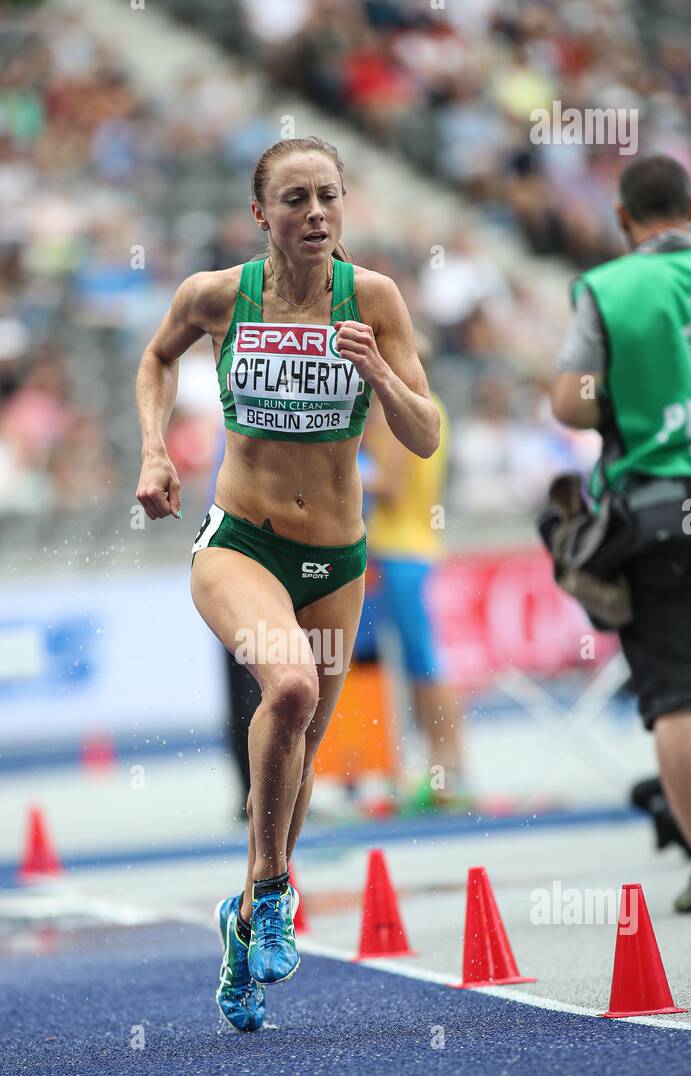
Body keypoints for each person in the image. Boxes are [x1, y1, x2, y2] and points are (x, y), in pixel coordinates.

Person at [135, 136, 439, 1028]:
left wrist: (377, 370)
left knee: (297, 752)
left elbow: (423, 435)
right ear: (260, 213)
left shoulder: (373, 299)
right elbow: (157, 359)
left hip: (338, 561)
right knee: (293, 684)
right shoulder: (218, 296)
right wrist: (155, 451)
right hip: (242, 544)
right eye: (296, 198)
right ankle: (273, 892)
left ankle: (243, 918)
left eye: (329, 197)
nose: (316, 213)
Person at [552, 154, 691, 912]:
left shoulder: (610, 287)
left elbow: (572, 402)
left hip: (657, 512)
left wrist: (621, 390)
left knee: (678, 699)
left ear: (623, 220)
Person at [361, 359, 467, 810]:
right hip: (419, 545)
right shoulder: (430, 403)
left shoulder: (393, 408)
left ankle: (447, 772)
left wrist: (339, 460)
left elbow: (390, 483)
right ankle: (442, 770)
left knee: (423, 666)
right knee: (420, 665)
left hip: (400, 548)